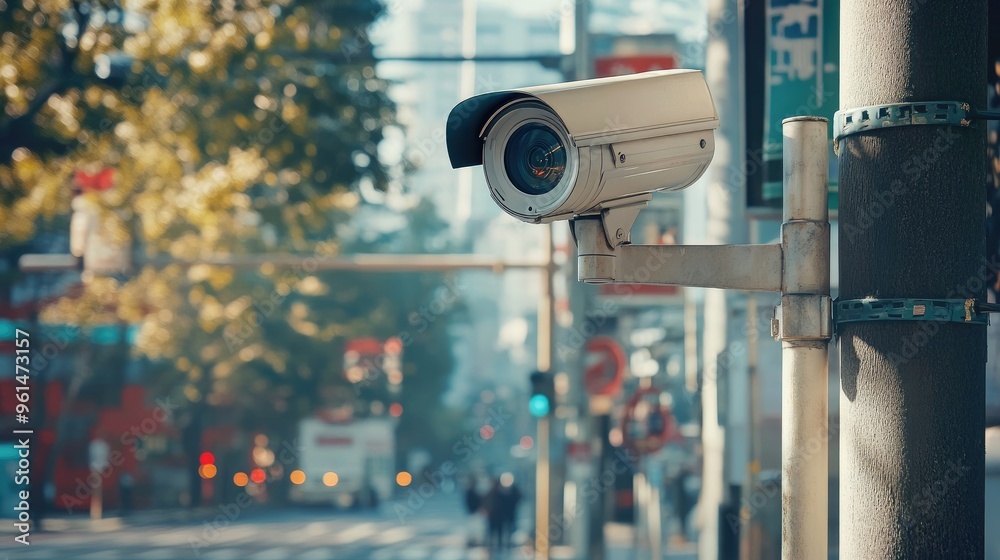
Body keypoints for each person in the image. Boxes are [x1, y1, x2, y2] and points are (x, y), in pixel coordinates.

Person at [463, 477, 482, 547]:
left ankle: (474, 540)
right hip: (472, 512)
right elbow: (468, 502)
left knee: (475, 527)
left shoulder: (474, 492)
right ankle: (471, 540)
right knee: (472, 527)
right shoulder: (470, 492)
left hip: (474, 512)